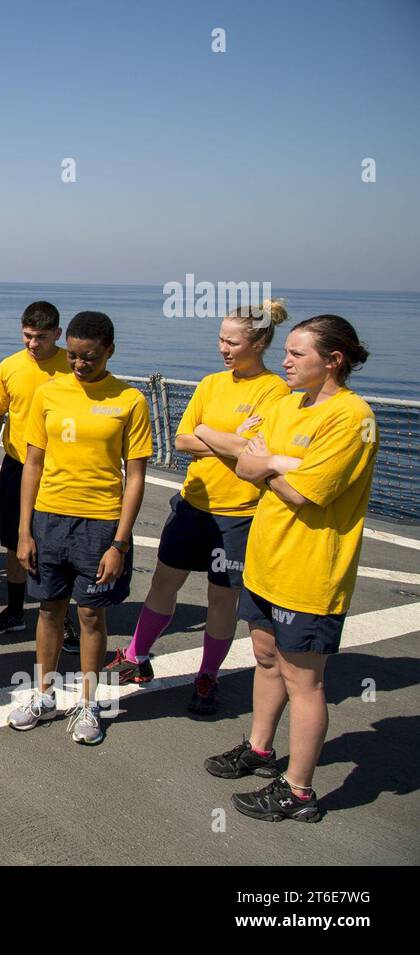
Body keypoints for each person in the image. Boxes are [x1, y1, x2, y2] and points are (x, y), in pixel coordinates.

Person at [205, 316, 376, 823]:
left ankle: (299, 791)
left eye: (298, 355)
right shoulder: (285, 403)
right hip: (266, 560)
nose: (285, 361)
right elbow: (243, 462)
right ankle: (259, 749)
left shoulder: (352, 417)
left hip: (310, 570)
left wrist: (270, 463)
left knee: (305, 680)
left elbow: (306, 492)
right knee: (264, 656)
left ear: (333, 360)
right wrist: (279, 462)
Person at [105, 302, 291, 715]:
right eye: (221, 339)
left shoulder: (274, 391)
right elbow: (183, 440)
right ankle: (136, 657)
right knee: (163, 583)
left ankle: (207, 675)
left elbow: (255, 450)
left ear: (258, 343)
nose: (223, 348)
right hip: (193, 504)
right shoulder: (211, 383)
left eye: (232, 341)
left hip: (239, 513)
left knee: (221, 600)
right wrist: (222, 438)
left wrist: (209, 432)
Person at [6, 311, 152, 745]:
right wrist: (24, 531)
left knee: (91, 613)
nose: (79, 364)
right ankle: (44, 693)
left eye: (89, 357)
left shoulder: (130, 400)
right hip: (50, 518)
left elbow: (136, 475)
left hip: (101, 522)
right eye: (73, 356)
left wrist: (120, 544)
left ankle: (89, 702)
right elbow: (32, 463)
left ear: (109, 350)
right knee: (49, 608)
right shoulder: (49, 393)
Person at [0, 302, 79, 652]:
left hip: (60, 467)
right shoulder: (9, 367)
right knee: (13, 542)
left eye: (41, 338)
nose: (33, 344)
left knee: (56, 544)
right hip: (17, 463)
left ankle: (64, 618)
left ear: (58, 335)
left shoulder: (73, 365)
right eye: (28, 336)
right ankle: (16, 610)